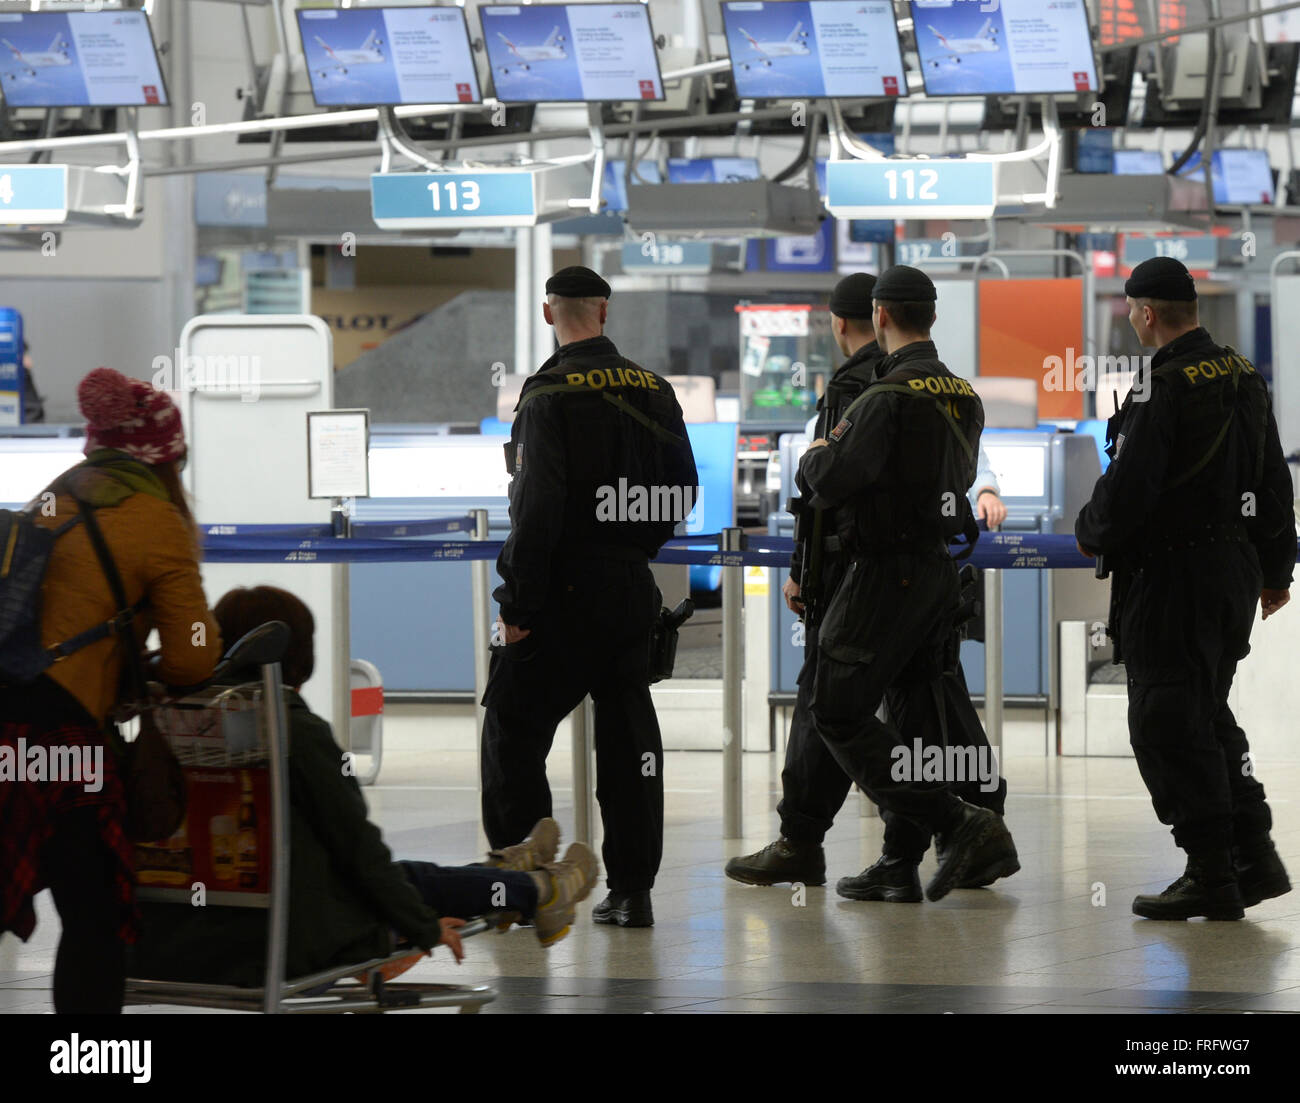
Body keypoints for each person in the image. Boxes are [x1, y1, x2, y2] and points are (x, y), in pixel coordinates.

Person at [131, 586, 599, 987]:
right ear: (298, 657)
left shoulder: (164, 725)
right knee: (405, 880)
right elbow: (359, 850)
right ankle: (538, 891)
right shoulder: (294, 731)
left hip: (174, 941)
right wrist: (418, 926)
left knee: (406, 878)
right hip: (290, 941)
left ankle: (508, 876)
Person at [726, 273, 1013, 901]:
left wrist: (820, 452)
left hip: (881, 573)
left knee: (834, 707)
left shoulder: (880, 395)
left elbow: (824, 477)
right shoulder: (963, 394)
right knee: (915, 714)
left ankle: (957, 822)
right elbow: (962, 476)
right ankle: (903, 857)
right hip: (935, 571)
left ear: (880, 315)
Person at [1075, 256, 1295, 920]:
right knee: (1203, 713)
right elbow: (1273, 481)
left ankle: (1210, 871)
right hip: (1230, 578)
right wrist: (1276, 569)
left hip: (1172, 581)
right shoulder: (1242, 376)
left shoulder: (1162, 387)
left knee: (1164, 722)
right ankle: (1250, 858)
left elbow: (1131, 488)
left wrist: (1091, 528)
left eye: (1130, 311)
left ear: (1146, 312)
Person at [0, 366, 223, 1013]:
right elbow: (192, 657)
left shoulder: (47, 498)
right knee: (94, 914)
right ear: (166, 458)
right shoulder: (154, 521)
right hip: (66, 741)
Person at [482, 265, 699, 928]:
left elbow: (537, 507)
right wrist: (634, 548)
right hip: (632, 589)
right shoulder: (655, 390)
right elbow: (682, 488)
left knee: (513, 730)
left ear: (551, 314)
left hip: (560, 595)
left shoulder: (547, 394)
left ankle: (526, 886)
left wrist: (518, 603)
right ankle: (633, 890)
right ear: (603, 312)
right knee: (629, 737)